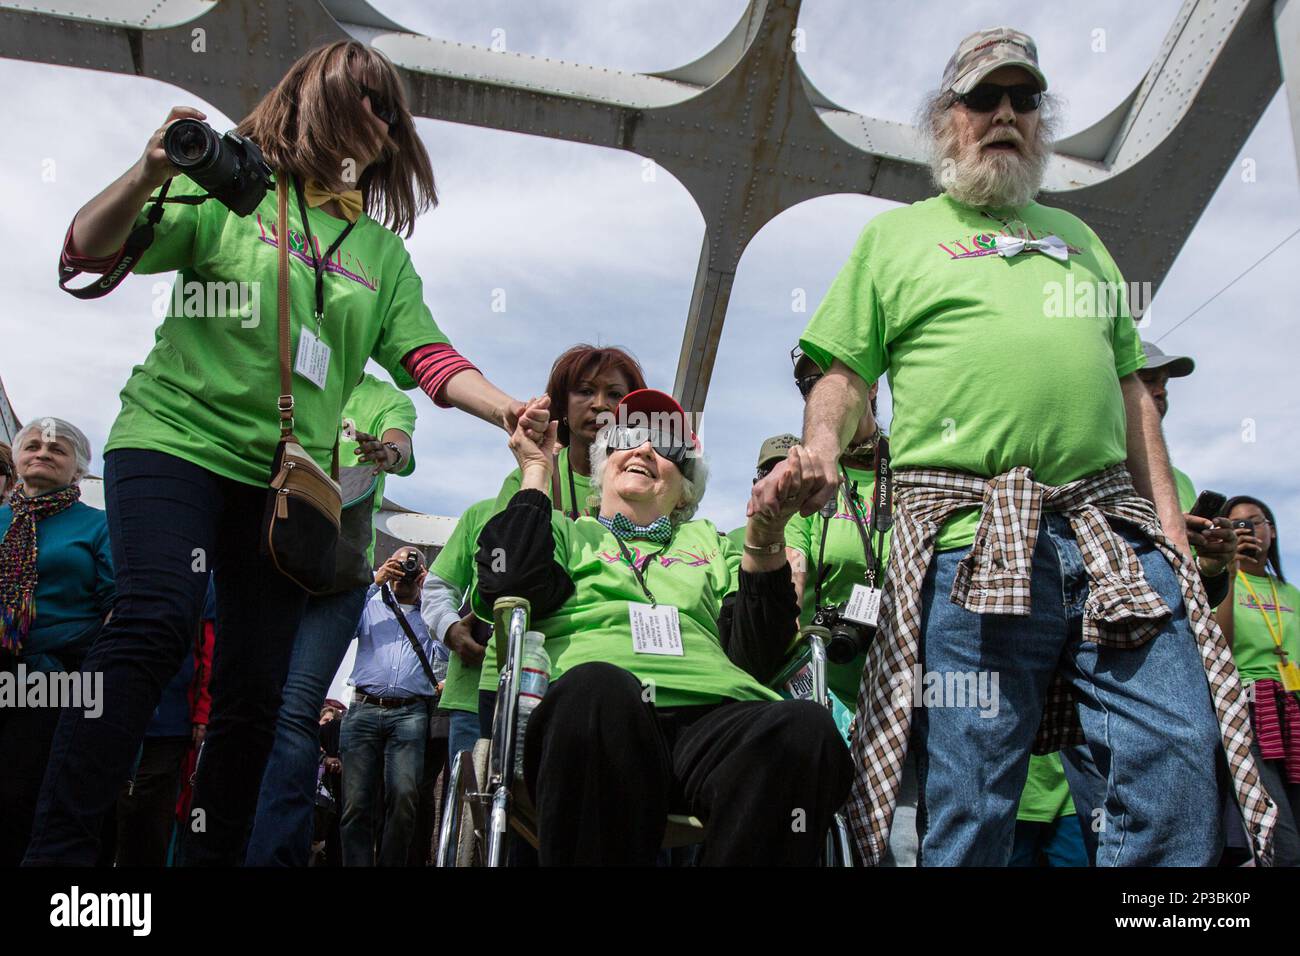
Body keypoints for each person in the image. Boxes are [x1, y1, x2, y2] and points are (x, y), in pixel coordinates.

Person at [757, 27, 1274, 865]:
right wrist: (820, 444)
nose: (1005, 113)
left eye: (1024, 100)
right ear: (946, 120)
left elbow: (1132, 386)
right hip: (972, 541)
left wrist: (1172, 538)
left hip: (1111, 540)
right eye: (983, 98)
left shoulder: (1082, 238)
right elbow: (843, 370)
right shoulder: (897, 239)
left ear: (1041, 121)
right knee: (975, 796)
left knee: (1177, 753)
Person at [26, 40, 548, 867]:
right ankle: (57, 861)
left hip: (283, 486)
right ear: (315, 99)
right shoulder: (231, 186)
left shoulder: (380, 254)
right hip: (175, 441)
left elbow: (429, 359)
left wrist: (510, 409)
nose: (379, 121)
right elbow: (84, 255)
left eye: (390, 110)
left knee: (255, 696)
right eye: (365, 99)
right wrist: (150, 172)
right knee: (156, 622)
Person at [474, 388, 853, 865]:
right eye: (626, 436)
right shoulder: (566, 532)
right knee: (597, 688)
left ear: (686, 488)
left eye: (669, 447)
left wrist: (766, 534)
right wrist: (535, 470)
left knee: (805, 728)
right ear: (601, 464)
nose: (645, 449)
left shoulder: (711, 543)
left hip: (711, 719)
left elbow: (757, 654)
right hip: (601, 715)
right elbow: (508, 582)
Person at [246, 372, 418, 866]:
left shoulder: (386, 397)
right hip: (263, 557)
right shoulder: (284, 371)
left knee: (295, 709)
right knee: (246, 704)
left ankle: (275, 856)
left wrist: (388, 454)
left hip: (335, 575)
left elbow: (400, 445)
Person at [0, 418, 114, 865]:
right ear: (18, 458)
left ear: (79, 471)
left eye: (58, 449)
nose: (43, 453)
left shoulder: (99, 526)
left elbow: (116, 603)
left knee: (20, 790)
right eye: (32, 445)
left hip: (56, 675)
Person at [339, 546, 445, 866]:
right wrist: (374, 580)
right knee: (355, 803)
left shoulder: (430, 614)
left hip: (410, 712)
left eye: (410, 568)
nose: (404, 572)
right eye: (398, 565)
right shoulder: (370, 605)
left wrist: (431, 597)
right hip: (364, 708)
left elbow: (445, 655)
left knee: (404, 798)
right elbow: (341, 627)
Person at [1216, 496, 1300, 866]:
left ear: (1273, 530)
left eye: (1256, 521)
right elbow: (1221, 648)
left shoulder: (1291, 594)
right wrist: (1230, 570)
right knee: (1280, 832)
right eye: (1237, 525)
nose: (1248, 530)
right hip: (1250, 711)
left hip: (1294, 710)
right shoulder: (1223, 587)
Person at [114, 577, 214, 866]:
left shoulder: (203, 583)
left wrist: (201, 714)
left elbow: (208, 651)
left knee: (151, 812)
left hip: (172, 721)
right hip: (122, 712)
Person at [421, 498, 498, 766]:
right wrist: (450, 628)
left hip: (564, 692)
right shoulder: (482, 513)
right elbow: (439, 586)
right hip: (473, 695)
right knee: (469, 804)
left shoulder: (608, 503)